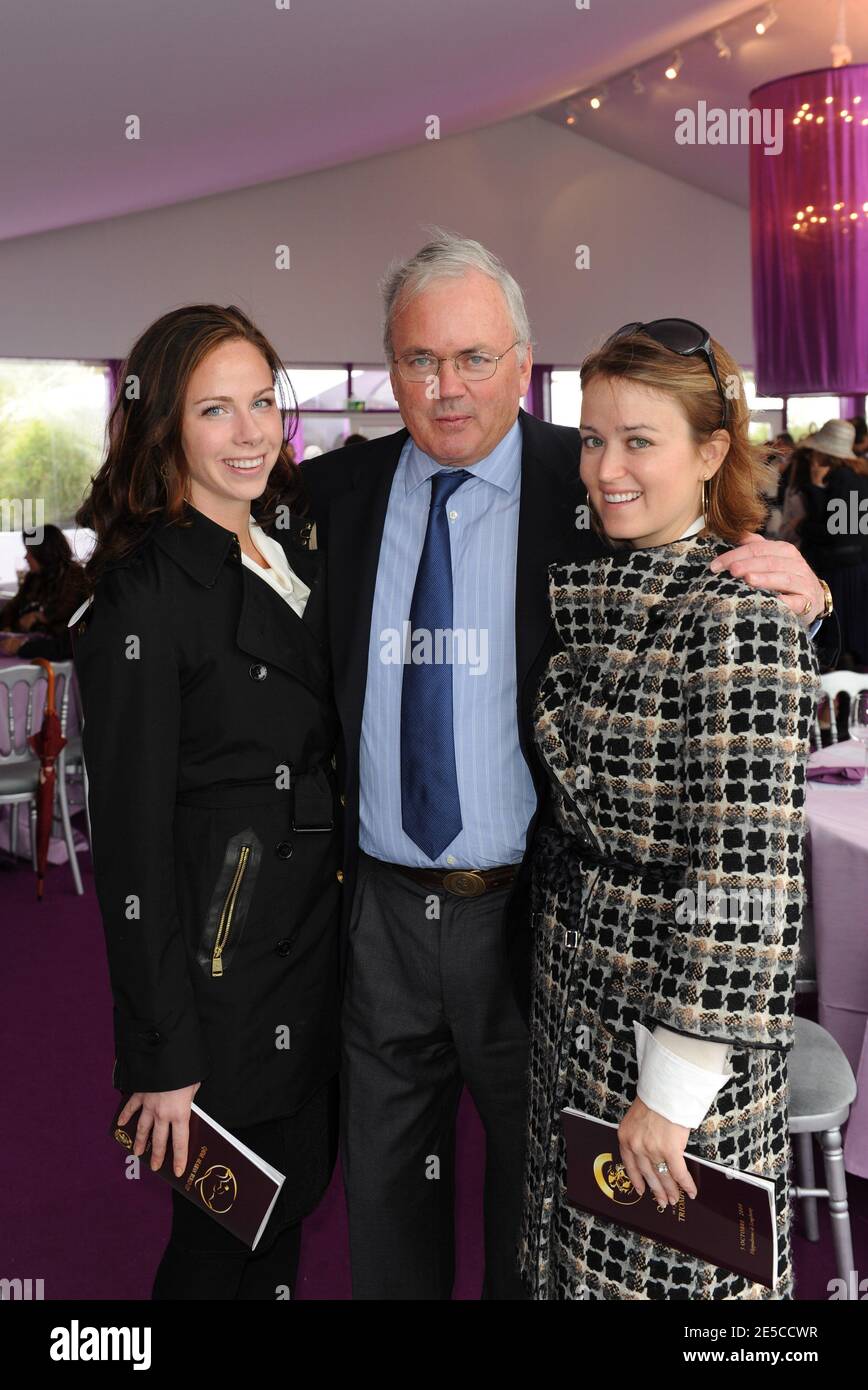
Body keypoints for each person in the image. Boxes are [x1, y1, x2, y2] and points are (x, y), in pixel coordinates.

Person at [300, 232, 826, 1300]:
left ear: (521, 356)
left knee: (550, 1205)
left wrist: (802, 607)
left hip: (531, 918)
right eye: (417, 360)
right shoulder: (327, 499)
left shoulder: (591, 489)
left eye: (476, 358)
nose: (447, 389)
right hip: (384, 913)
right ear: (387, 364)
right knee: (391, 1183)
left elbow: (719, 652)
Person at [518, 321, 822, 1300]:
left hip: (674, 1043)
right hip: (579, 1005)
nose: (604, 467)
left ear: (711, 451)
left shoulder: (735, 612)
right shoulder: (613, 578)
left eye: (637, 440)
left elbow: (746, 878)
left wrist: (674, 1087)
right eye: (590, 438)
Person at [71, 304, 341, 1300]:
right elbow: (132, 849)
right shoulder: (142, 597)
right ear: (164, 429)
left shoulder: (290, 547)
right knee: (222, 1237)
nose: (250, 431)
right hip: (219, 987)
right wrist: (160, 1058)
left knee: (292, 1200)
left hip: (316, 955)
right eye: (215, 410)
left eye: (263, 401)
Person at [796, 419, 868, 669]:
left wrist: (803, 525)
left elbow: (835, 530)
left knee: (837, 640)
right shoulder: (858, 477)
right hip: (854, 567)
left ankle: (840, 700)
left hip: (837, 570)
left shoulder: (841, 480)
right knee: (852, 638)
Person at [0, 524, 89, 657]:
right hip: (31, 646)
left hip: (57, 653)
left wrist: (40, 617)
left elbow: (65, 613)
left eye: (30, 552)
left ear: (44, 553)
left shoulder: (75, 576)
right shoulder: (34, 577)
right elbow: (13, 606)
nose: (26, 557)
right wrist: (8, 624)